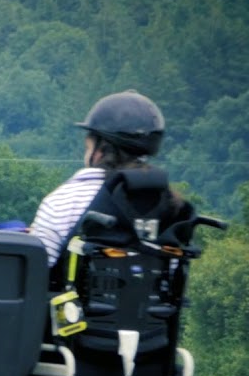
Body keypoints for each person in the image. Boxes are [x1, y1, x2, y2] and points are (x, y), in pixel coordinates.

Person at [29, 90, 187, 268]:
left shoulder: (62, 202)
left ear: (99, 149)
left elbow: (34, 275)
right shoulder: (172, 206)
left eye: (87, 146)